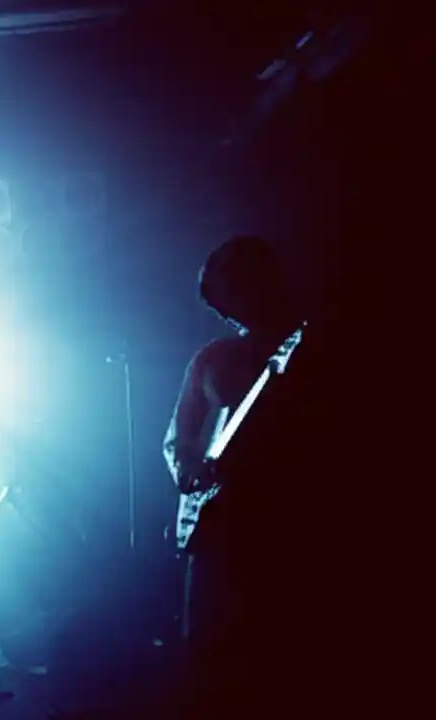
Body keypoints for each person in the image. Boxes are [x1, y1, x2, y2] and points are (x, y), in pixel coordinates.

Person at [162, 235, 305, 717]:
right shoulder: (213, 357)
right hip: (215, 526)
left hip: (286, 525)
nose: (225, 311)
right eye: (218, 302)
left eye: (231, 296)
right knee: (205, 646)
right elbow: (179, 437)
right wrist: (185, 468)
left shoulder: (305, 352)